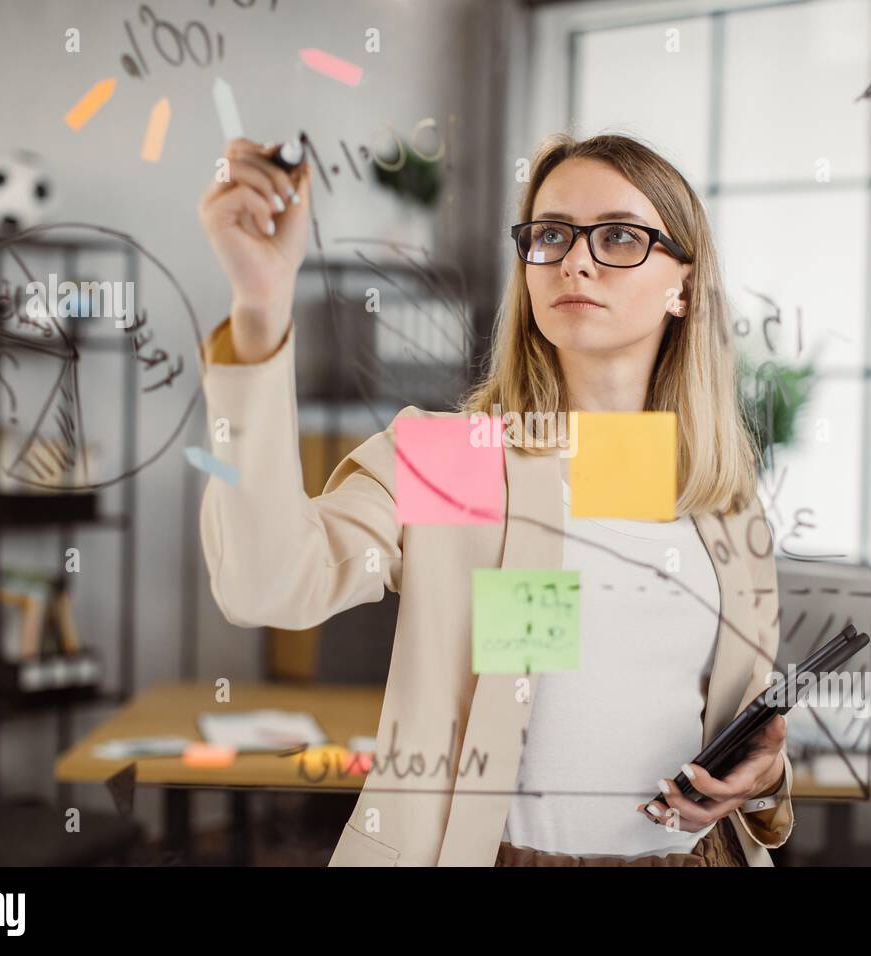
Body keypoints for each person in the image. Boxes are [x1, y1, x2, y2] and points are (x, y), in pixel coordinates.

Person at [196, 131, 794, 867]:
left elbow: (738, 734)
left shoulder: (724, 504)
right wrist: (259, 310)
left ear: (684, 287)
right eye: (550, 235)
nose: (575, 259)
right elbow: (268, 584)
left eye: (617, 236)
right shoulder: (468, 461)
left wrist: (764, 778)